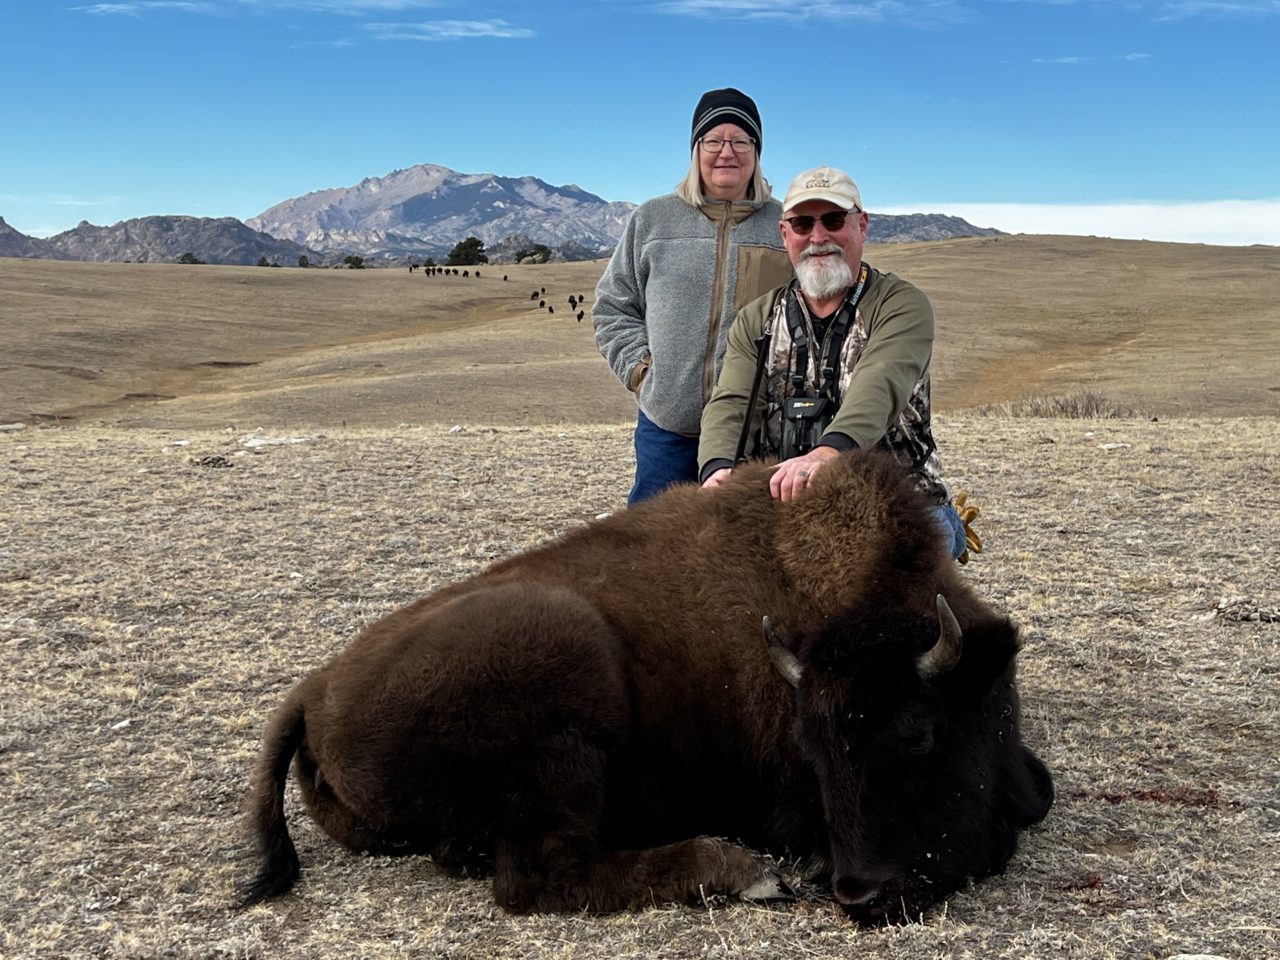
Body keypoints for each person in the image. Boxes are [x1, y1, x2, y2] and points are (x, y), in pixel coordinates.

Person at [698, 164, 969, 558]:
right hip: (788, 505)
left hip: (900, 504)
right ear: (785, 234)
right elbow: (733, 402)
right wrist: (717, 468)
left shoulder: (900, 306)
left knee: (881, 582)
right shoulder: (758, 320)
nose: (818, 236)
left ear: (862, 225)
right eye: (803, 224)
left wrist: (828, 453)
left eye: (834, 220)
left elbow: (880, 384)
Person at [593, 87, 792, 505]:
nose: (727, 152)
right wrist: (640, 371)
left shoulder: (785, 225)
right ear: (695, 149)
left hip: (753, 432)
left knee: (744, 540)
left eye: (741, 141)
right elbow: (614, 306)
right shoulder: (653, 219)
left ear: (756, 152)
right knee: (653, 538)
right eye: (713, 140)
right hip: (668, 428)